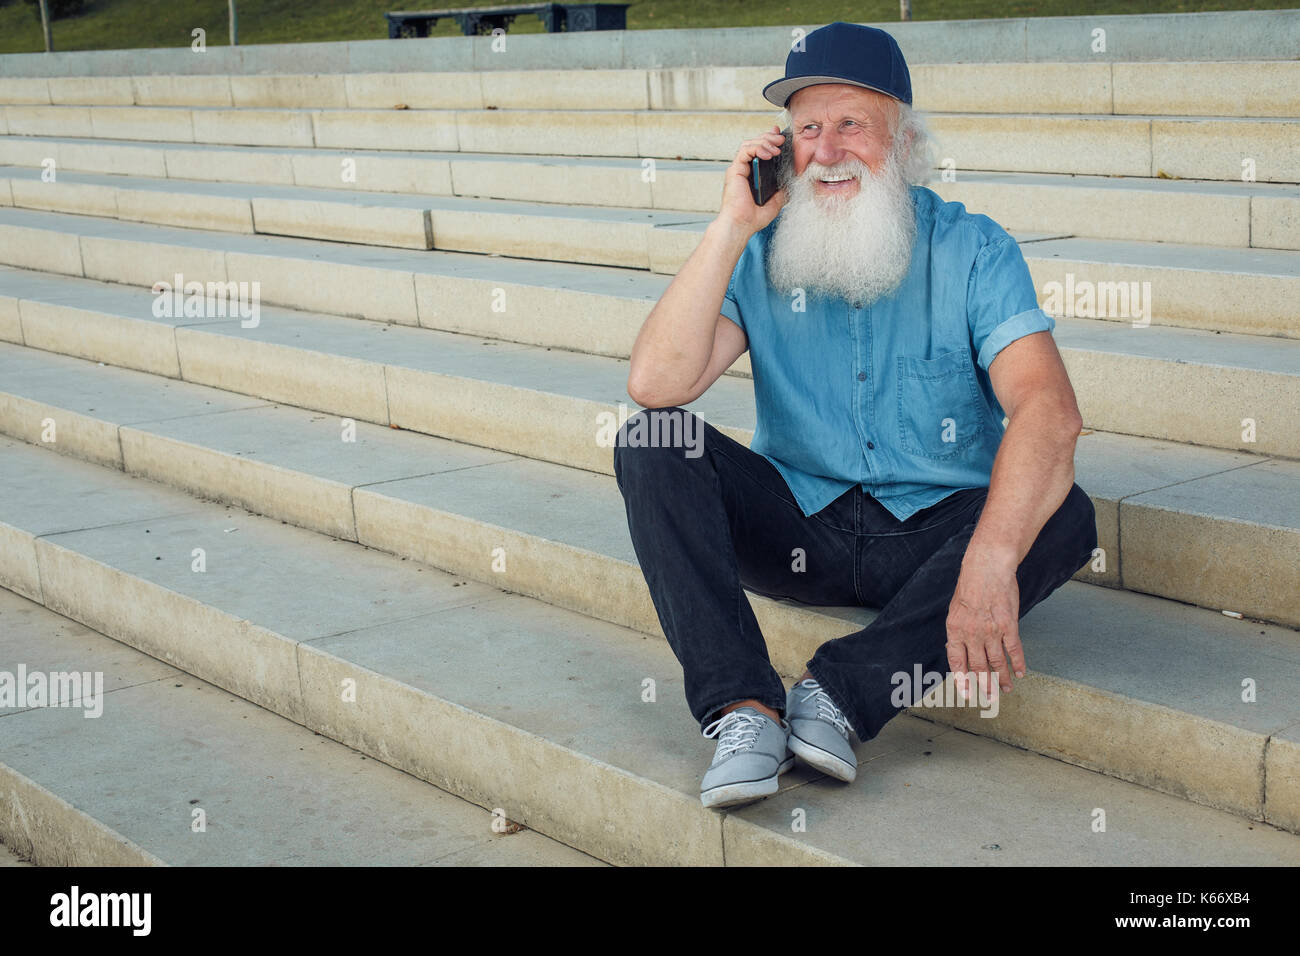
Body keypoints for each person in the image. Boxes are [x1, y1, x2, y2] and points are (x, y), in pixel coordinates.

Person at [614, 21, 1097, 809]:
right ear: (782, 149)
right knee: (652, 440)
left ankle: (840, 696)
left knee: (1064, 511)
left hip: (934, 539)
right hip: (798, 527)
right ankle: (743, 709)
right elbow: (657, 383)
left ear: (903, 143)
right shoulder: (762, 253)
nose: (827, 148)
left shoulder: (973, 249)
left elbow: (1049, 411)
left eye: (851, 125)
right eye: (807, 128)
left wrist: (988, 560)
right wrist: (730, 226)